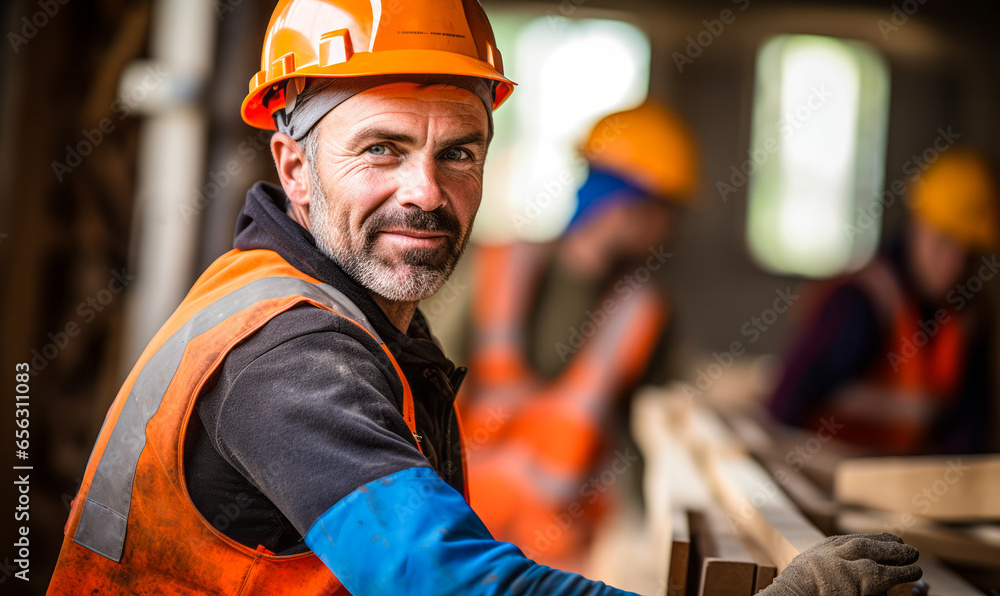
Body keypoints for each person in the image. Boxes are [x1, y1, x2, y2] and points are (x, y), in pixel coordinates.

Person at [48, 1, 922, 594]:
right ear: (294, 168)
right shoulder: (290, 354)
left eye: (457, 153)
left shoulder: (349, 308)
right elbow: (441, 579)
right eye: (381, 150)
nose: (427, 192)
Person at [459, 101, 697, 572]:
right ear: (633, 206)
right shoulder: (494, 271)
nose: (667, 232)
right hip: (465, 551)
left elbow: (650, 435)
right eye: (665, 211)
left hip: (553, 566)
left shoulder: (644, 313)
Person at [770, 150, 998, 455]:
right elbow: (783, 408)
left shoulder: (969, 322)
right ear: (917, 225)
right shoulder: (861, 302)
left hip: (901, 491)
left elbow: (968, 436)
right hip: (820, 479)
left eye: (968, 251)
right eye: (943, 241)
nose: (954, 264)